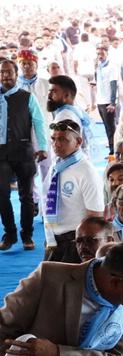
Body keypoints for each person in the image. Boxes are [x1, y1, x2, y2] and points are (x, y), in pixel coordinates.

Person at [42, 118, 105, 262]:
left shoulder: (87, 173)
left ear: (78, 142)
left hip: (74, 242)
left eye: (63, 139)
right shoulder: (57, 165)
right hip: (52, 238)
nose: (56, 144)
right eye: (54, 139)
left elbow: (95, 218)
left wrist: (83, 248)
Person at [0, 58, 46, 251]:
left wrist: (42, 147)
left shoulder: (27, 97)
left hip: (24, 152)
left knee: (26, 196)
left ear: (15, 74)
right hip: (1, 154)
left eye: (8, 72)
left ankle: (27, 235)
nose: (5, 76)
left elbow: (38, 122)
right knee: (2, 194)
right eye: (2, 73)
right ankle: (9, 233)